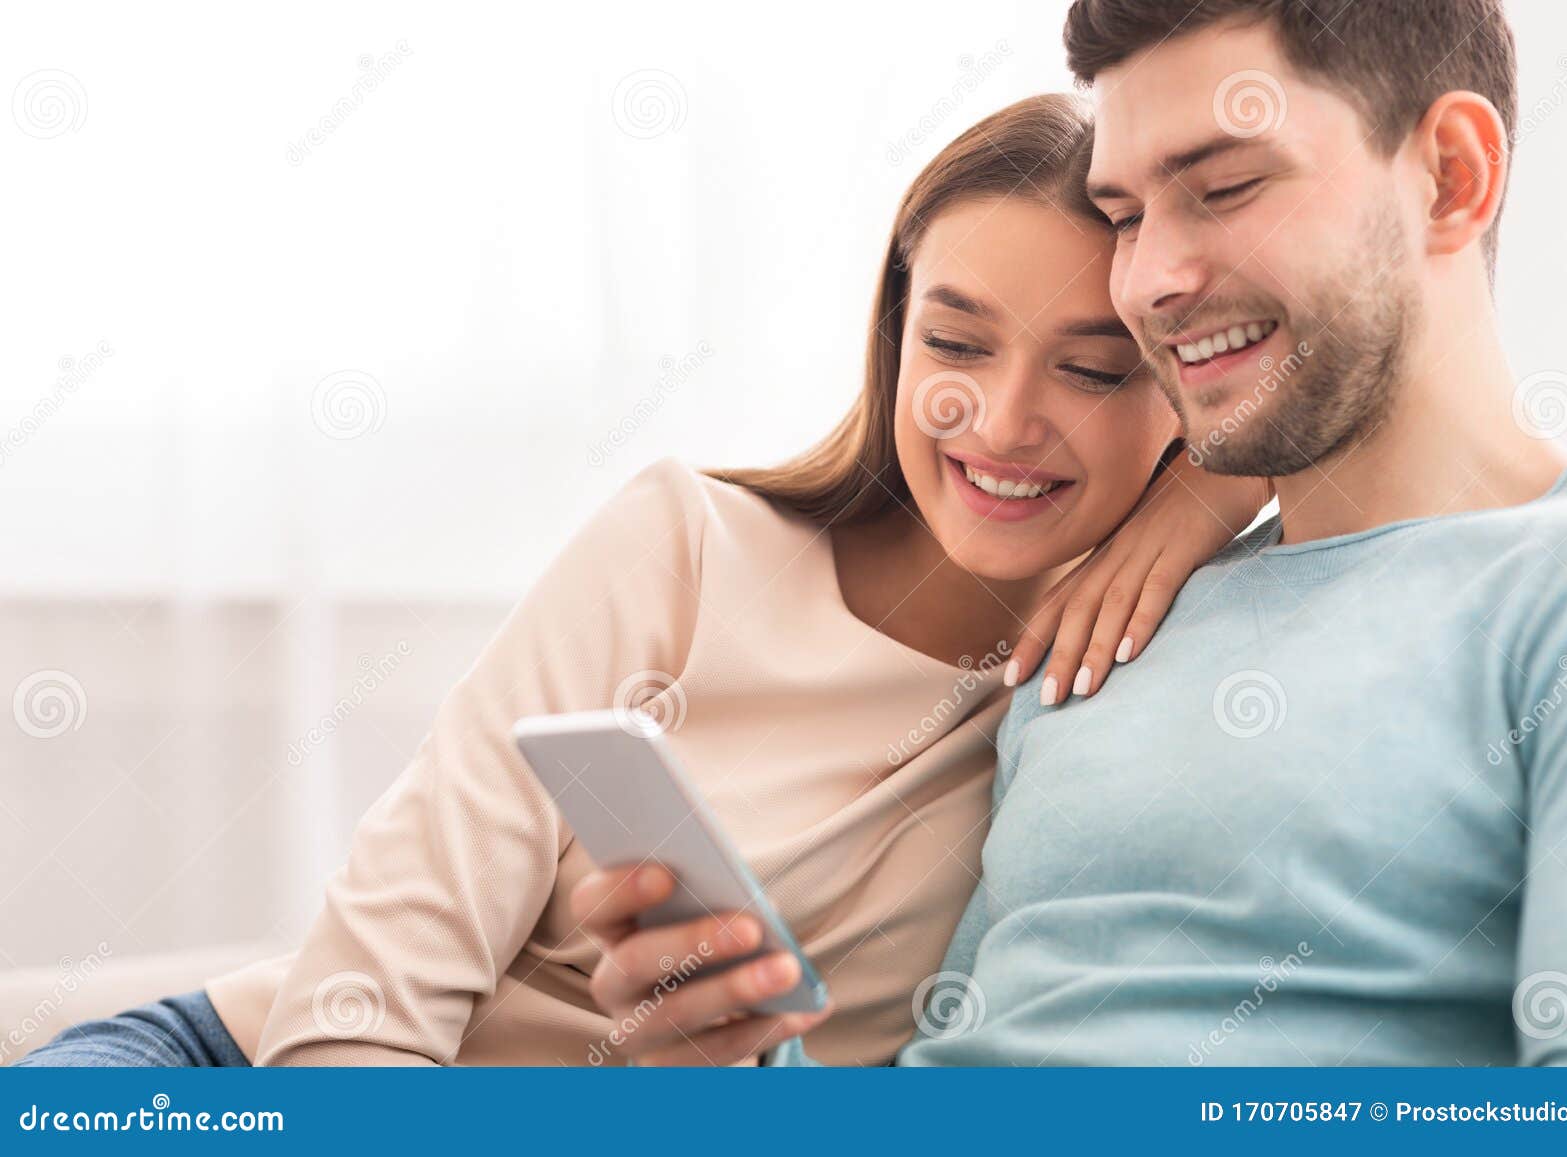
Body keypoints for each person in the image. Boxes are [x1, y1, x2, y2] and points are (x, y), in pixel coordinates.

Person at [15, 94, 1266, 1067]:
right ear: (896, 340)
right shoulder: (685, 543)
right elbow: (378, 972)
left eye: (1095, 371)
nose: (998, 420)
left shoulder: (1111, 685)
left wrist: (1214, 487)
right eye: (953, 342)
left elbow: (1381, 410)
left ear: (1180, 383)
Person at [577, 0, 1567, 1066]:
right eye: (1122, 214)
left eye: (1226, 187)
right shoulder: (1108, 618)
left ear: (1451, 173)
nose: (1146, 282)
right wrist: (739, 1057)